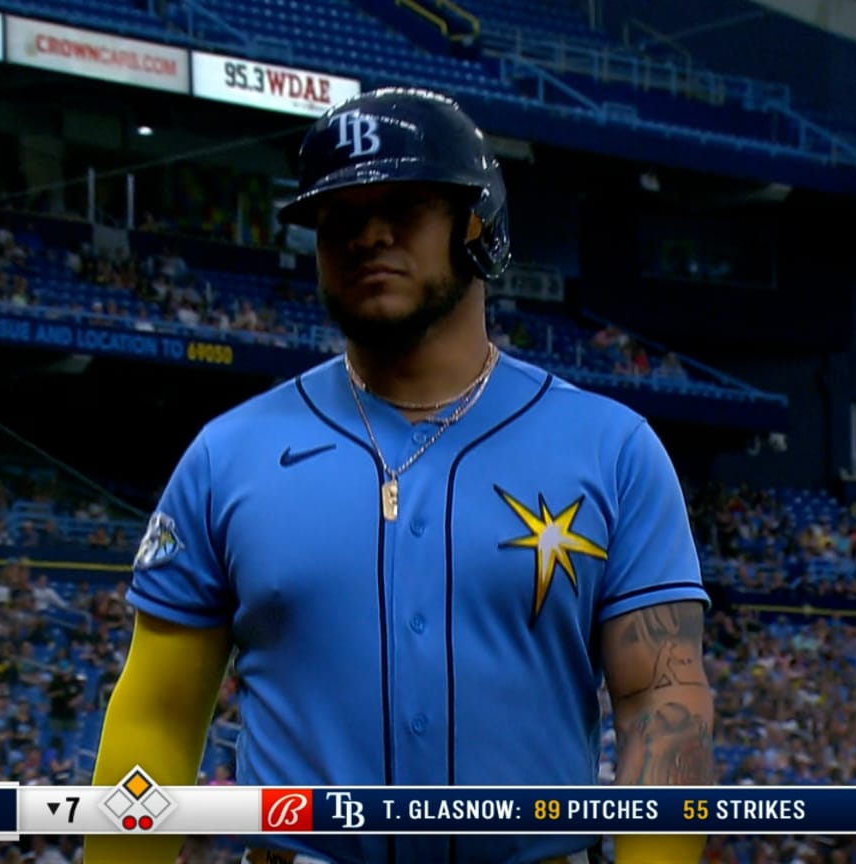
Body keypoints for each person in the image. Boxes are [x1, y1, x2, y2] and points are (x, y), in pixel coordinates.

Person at [89, 88, 714, 864]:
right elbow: (158, 715)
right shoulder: (228, 455)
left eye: (406, 206)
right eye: (339, 217)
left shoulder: (612, 449)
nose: (369, 236)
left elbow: (663, 702)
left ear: (478, 227)